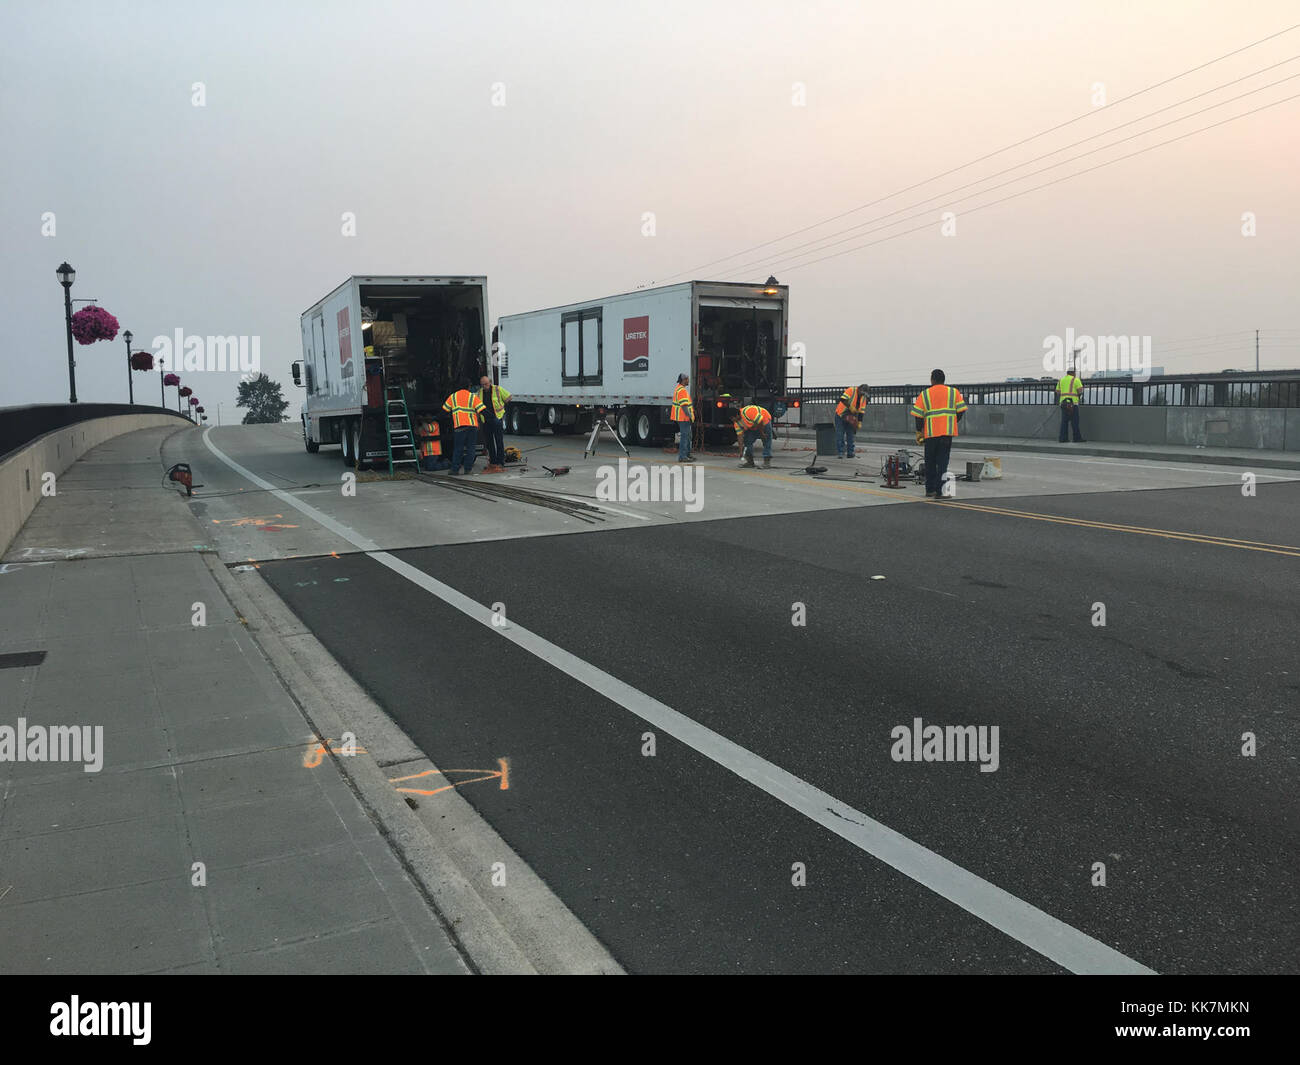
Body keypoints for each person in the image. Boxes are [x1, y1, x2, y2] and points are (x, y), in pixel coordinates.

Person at [910, 369, 967, 499]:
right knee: (942, 463)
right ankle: (941, 491)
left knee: (930, 462)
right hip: (946, 433)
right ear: (944, 379)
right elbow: (961, 410)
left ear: (932, 380)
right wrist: (952, 420)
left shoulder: (925, 394)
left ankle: (930, 490)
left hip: (930, 434)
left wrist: (919, 432)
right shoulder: (953, 392)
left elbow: (918, 416)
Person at [442, 379, 486, 476]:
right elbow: (482, 410)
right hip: (472, 426)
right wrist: (492, 418)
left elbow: (444, 411)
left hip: (460, 426)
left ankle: (455, 470)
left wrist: (434, 419)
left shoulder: (453, 397)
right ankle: (468, 469)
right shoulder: (472, 396)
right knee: (471, 448)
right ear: (468, 387)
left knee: (458, 449)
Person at [478, 374, 512, 471]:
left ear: (490, 383)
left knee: (499, 441)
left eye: (486, 384)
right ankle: (493, 462)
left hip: (496, 418)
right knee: (489, 442)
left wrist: (502, 405)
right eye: (483, 385)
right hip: (485, 420)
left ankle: (500, 462)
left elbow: (509, 397)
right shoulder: (480, 392)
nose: (485, 386)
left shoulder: (497, 389)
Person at [834, 383, 869, 458]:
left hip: (851, 417)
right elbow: (842, 399)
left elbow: (861, 411)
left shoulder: (864, 398)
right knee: (840, 434)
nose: (862, 394)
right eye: (861, 392)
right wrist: (850, 407)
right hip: (841, 415)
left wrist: (859, 422)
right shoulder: (851, 390)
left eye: (864, 393)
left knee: (851, 435)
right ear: (859, 389)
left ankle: (850, 452)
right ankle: (840, 452)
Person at [1056, 367, 1085, 442]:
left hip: (1063, 403)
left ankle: (1063, 438)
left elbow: (1058, 391)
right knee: (1075, 421)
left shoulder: (1061, 380)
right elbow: (1080, 390)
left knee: (1064, 421)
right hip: (1073, 404)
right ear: (1073, 373)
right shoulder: (1076, 379)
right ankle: (1077, 438)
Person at [672, 373, 695, 463]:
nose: (688, 381)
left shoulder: (680, 389)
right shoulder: (681, 391)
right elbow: (684, 406)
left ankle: (687, 454)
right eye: (687, 379)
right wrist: (690, 416)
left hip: (683, 418)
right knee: (685, 437)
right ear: (683, 380)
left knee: (688, 436)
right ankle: (683, 456)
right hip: (683, 418)